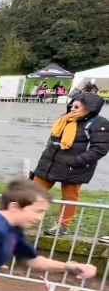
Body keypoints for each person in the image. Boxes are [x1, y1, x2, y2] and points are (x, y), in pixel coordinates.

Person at [33, 93, 109, 236]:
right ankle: (25, 218)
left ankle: (62, 225)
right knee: (33, 192)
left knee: (69, 198)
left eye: (76, 106)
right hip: (50, 162)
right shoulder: (65, 119)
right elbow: (53, 141)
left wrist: (76, 161)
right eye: (71, 105)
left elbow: (100, 148)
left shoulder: (99, 123)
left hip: (74, 167)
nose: (72, 108)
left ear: (89, 108)